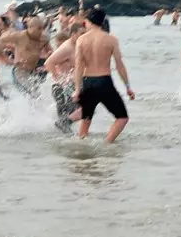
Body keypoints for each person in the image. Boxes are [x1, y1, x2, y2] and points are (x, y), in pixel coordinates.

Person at [72, 9, 135, 143]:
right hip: (104, 81)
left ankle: (82, 147)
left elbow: (78, 67)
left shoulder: (81, 40)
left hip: (87, 81)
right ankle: (107, 143)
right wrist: (128, 87)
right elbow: (119, 65)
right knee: (122, 117)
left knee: (86, 119)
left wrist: (77, 89)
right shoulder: (111, 39)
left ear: (89, 21)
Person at [45, 23, 85, 131]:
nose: (84, 36)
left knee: (70, 116)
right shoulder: (66, 48)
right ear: (73, 34)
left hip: (69, 86)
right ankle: (64, 140)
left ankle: (64, 139)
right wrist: (60, 79)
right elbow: (48, 63)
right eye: (81, 34)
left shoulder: (77, 47)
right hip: (61, 87)